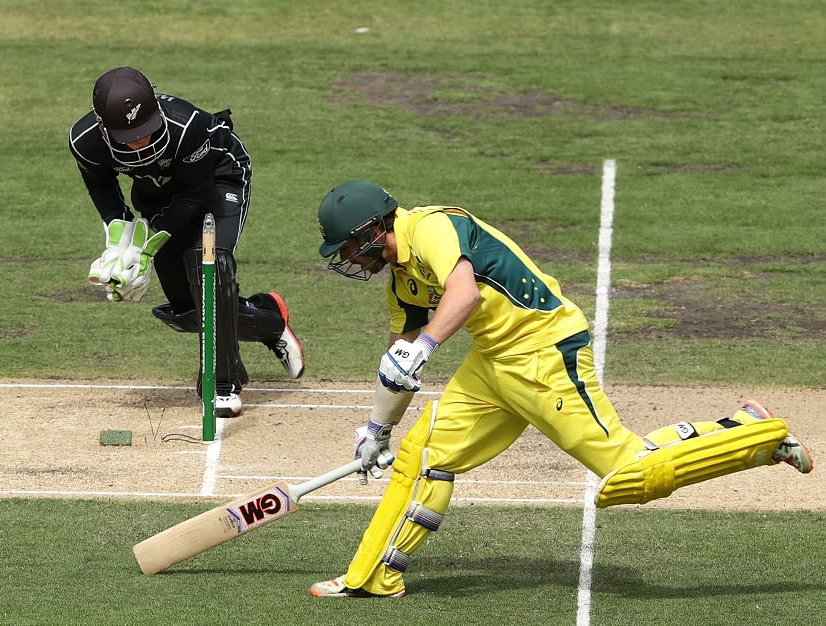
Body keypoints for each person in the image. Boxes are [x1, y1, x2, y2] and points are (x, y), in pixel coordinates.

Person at [309, 179, 814, 598]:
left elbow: (462, 294)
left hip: (544, 351)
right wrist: (377, 429)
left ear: (373, 229)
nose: (348, 258)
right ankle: (373, 577)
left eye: (348, 246)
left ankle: (753, 434)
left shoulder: (431, 227)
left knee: (630, 475)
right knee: (422, 456)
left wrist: (424, 347)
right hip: (493, 363)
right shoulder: (402, 280)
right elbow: (397, 358)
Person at [69, 66, 304, 417]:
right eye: (129, 135)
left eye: (145, 130)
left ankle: (223, 383)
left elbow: (196, 194)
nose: (140, 140)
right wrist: (121, 242)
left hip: (218, 178)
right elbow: (102, 188)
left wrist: (148, 244)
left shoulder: (187, 125)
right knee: (187, 309)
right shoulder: (85, 141)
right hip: (158, 194)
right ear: (104, 127)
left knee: (210, 265)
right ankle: (269, 319)